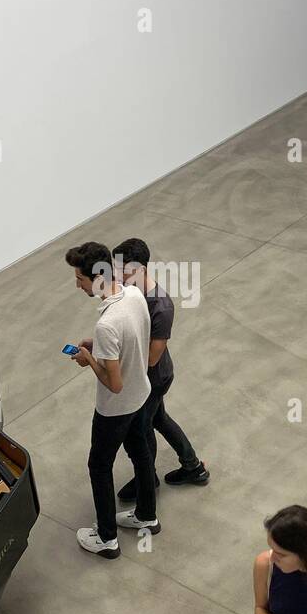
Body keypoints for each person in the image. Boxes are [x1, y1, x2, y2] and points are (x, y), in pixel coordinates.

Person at [66, 240, 159, 557]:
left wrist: (88, 359)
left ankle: (107, 539)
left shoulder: (107, 324)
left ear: (97, 277)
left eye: (80, 279)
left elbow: (113, 384)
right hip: (141, 394)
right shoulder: (133, 294)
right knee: (141, 454)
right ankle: (147, 515)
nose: (77, 285)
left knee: (99, 466)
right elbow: (133, 336)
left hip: (116, 409)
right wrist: (100, 346)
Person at [111, 238, 209, 500]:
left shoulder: (160, 306)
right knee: (159, 420)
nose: (116, 274)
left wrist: (114, 363)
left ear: (139, 268)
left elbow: (152, 358)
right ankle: (193, 466)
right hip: (148, 376)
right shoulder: (132, 293)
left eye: (121, 269)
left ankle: (147, 478)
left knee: (141, 431)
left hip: (153, 378)